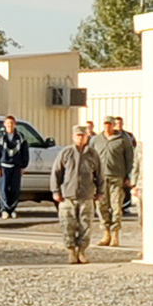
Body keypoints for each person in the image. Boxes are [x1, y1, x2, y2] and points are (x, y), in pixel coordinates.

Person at [53, 122, 104, 266]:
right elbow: (56, 173)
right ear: (73, 137)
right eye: (78, 135)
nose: (80, 138)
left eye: (83, 135)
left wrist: (100, 192)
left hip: (86, 196)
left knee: (85, 225)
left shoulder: (93, 154)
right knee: (67, 225)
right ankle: (71, 251)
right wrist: (56, 191)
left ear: (87, 137)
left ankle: (82, 251)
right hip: (68, 197)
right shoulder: (65, 153)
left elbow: (100, 175)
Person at [99, 113, 137, 246]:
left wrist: (129, 177)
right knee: (102, 206)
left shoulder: (123, 140)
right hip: (101, 178)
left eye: (110, 124)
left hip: (117, 177)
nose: (107, 127)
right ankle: (106, 233)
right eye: (105, 124)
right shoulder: (96, 140)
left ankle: (115, 234)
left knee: (116, 206)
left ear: (114, 125)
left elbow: (130, 159)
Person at [0, 116, 30, 220]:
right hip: (3, 166)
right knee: (3, 189)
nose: (10, 125)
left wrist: (23, 166)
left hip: (16, 167)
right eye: (8, 123)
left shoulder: (20, 137)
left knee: (15, 189)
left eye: (12, 123)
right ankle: (4, 210)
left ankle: (12, 209)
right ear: (4, 124)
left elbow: (25, 153)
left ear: (15, 124)